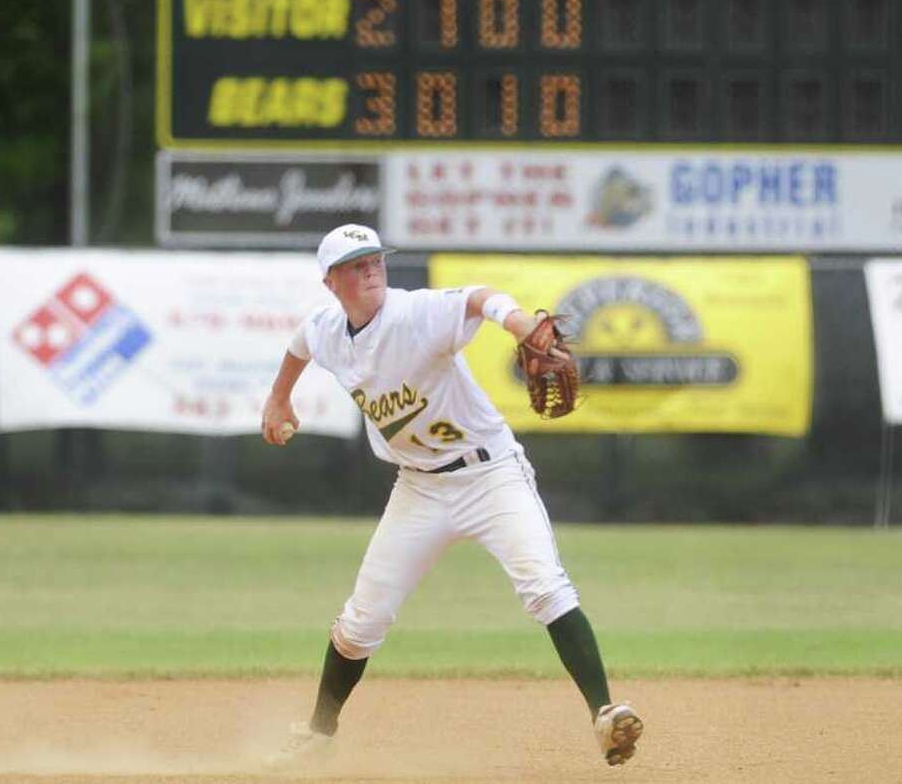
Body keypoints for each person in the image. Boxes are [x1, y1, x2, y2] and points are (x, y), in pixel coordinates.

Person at [259, 224, 643, 769]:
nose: (371, 268)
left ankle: (605, 713)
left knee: (545, 588)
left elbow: (478, 298)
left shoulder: (415, 314)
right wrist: (278, 400)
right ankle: (319, 730)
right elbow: (299, 345)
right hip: (418, 486)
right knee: (360, 622)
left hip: (491, 476)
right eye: (355, 263)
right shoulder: (325, 329)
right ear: (331, 282)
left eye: (375, 258)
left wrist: (519, 323)